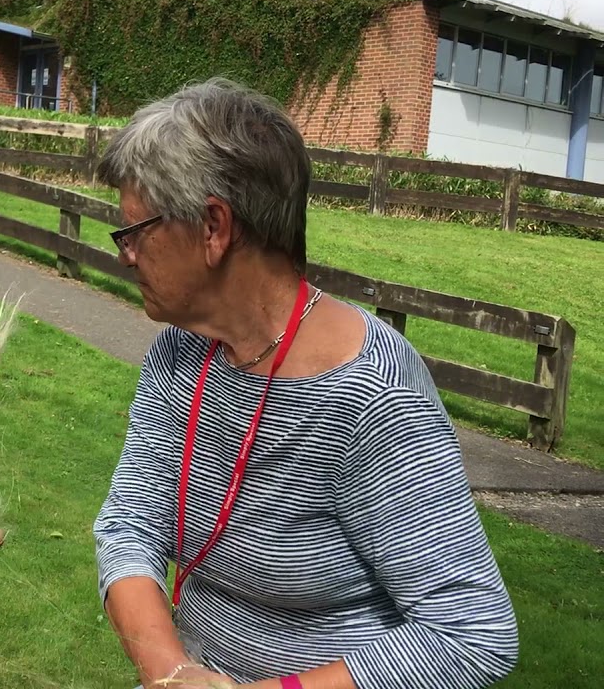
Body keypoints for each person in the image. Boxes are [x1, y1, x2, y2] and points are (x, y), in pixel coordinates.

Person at [92, 78, 518, 689]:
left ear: (214, 227)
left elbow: (473, 634)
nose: (126, 254)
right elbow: (130, 526)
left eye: (137, 232)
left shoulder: (374, 394)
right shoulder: (181, 351)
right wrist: (173, 673)